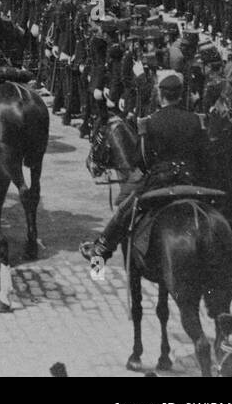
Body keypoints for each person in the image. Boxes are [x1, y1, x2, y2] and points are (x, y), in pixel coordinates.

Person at [80, 71, 210, 265]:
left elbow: (141, 161)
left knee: (125, 207)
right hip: (191, 180)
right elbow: (203, 155)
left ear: (160, 95)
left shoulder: (150, 122)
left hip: (160, 181)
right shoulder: (195, 120)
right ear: (181, 95)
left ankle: (100, 251)